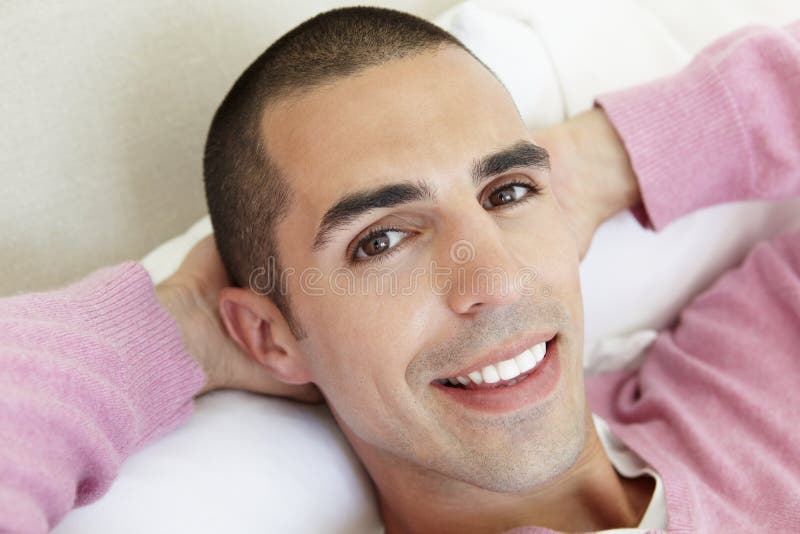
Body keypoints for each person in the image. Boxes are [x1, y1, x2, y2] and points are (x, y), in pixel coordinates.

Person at [1, 6, 798, 533]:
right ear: (269, 337)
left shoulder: (745, 402)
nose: (496, 281)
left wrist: (596, 165)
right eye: (381, 241)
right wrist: (173, 329)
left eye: (508, 191)